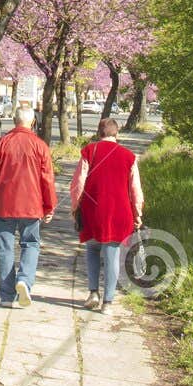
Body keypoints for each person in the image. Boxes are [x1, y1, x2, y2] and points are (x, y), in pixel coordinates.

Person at [0, 100, 57, 307]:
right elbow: (47, 179)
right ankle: (24, 280)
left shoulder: (2, 143)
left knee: (4, 248)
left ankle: (6, 296)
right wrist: (49, 206)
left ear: (14, 121)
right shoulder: (40, 146)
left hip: (4, 204)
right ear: (33, 122)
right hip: (31, 205)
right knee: (30, 244)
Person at [69, 115, 144, 312]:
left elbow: (78, 184)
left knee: (92, 250)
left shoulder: (89, 151)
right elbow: (135, 189)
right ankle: (108, 302)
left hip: (92, 211)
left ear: (99, 133)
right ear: (116, 133)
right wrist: (137, 214)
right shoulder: (129, 156)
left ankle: (93, 292)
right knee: (112, 255)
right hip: (119, 212)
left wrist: (75, 207)